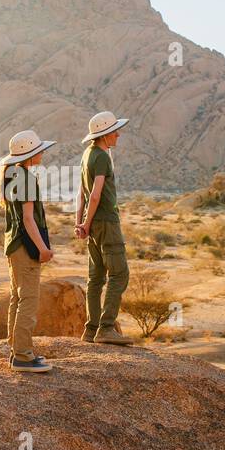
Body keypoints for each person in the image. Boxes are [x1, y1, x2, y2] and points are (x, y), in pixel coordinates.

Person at [0, 129, 57, 372]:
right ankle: (23, 355)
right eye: (39, 149)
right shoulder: (26, 178)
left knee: (17, 298)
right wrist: (43, 249)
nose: (42, 152)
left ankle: (16, 350)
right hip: (26, 246)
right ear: (30, 153)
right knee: (29, 299)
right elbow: (28, 219)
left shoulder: (11, 175)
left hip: (12, 245)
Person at [75, 111, 133, 344]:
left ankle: (91, 329)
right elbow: (96, 194)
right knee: (119, 274)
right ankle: (106, 328)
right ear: (105, 134)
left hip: (94, 224)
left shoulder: (87, 154)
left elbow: (81, 193)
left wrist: (80, 223)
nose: (118, 134)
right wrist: (85, 223)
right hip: (106, 222)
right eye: (114, 131)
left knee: (96, 278)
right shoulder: (102, 156)